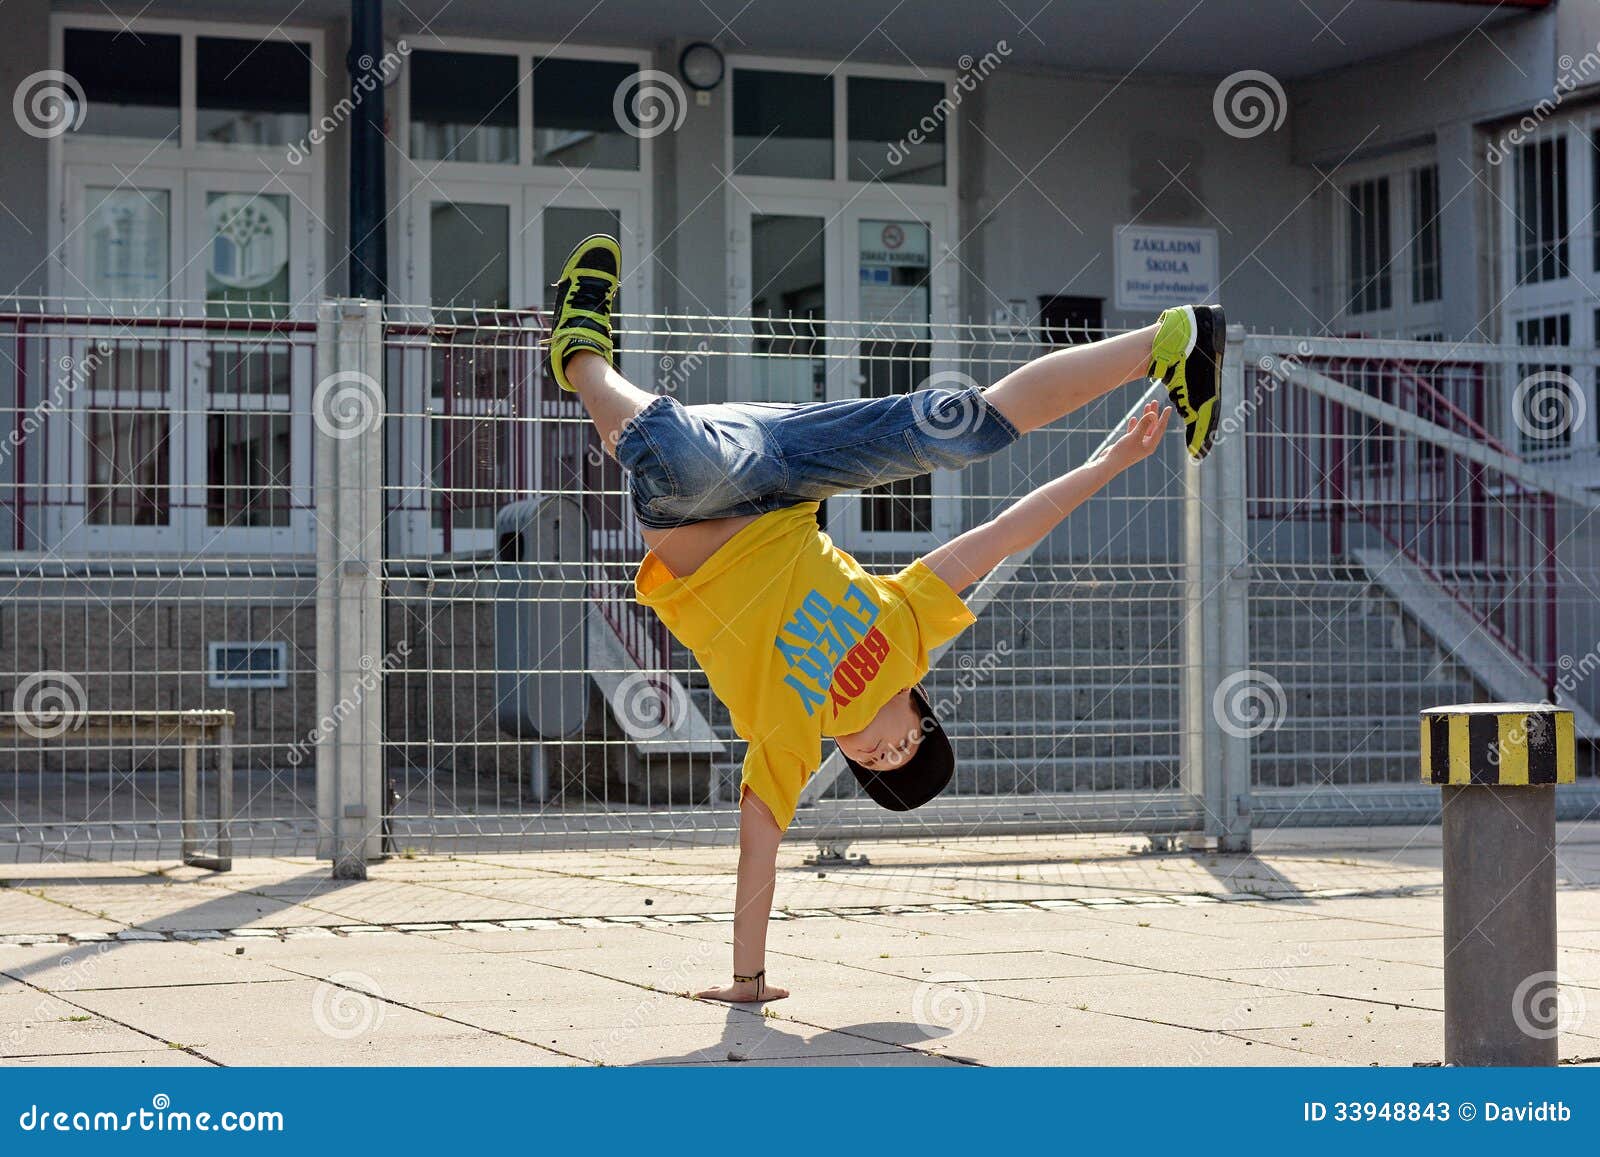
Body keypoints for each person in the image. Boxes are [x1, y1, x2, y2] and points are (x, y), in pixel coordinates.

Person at [548, 235, 1225, 1002]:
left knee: (673, 454)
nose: (883, 745)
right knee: (964, 426)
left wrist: (748, 980)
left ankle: (580, 352)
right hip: (786, 472)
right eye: (908, 742)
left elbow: (758, 847)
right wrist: (1106, 465)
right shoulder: (908, 631)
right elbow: (1003, 536)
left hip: (696, 502)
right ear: (920, 702)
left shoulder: (790, 733)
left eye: (876, 762)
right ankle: (1172, 340)